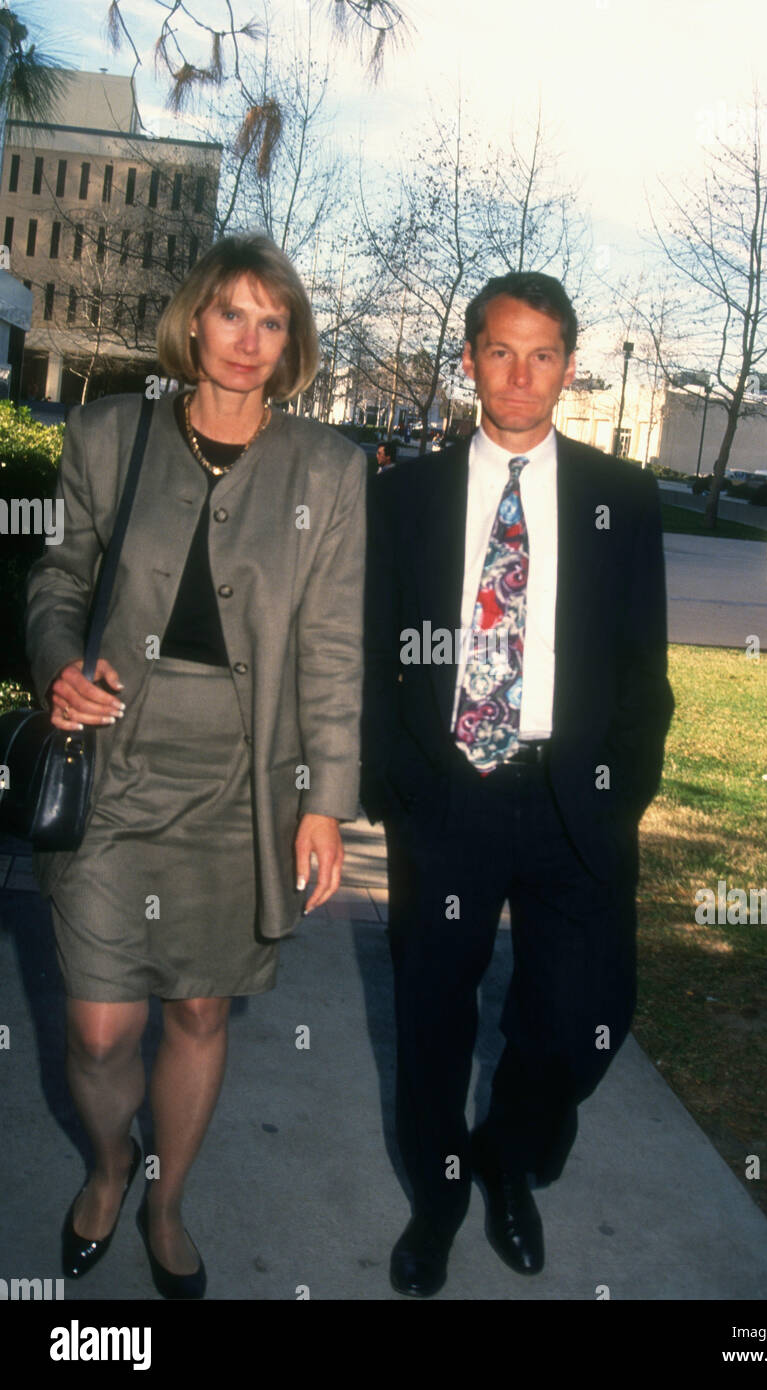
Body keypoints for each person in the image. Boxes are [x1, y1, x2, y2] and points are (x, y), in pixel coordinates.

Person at [26, 233, 365, 1298]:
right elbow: (56, 581)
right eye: (232, 313)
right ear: (194, 319)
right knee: (98, 1021)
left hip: (243, 775)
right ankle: (110, 1161)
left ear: (292, 342)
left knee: (201, 1011)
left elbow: (335, 645)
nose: (249, 340)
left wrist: (326, 804)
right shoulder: (107, 434)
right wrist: (56, 668)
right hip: (115, 757)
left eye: (273, 322)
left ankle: (165, 1202)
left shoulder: (330, 468)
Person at [361, 270, 674, 1297]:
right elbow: (370, 651)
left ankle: (506, 1151)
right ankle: (442, 1195)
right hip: (447, 794)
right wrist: (396, 778)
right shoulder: (403, 495)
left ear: (569, 368)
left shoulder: (619, 499)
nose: (521, 373)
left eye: (543, 353)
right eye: (501, 349)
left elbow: (642, 666)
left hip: (571, 795)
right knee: (433, 1012)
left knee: (585, 1013)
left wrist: (620, 789)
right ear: (469, 361)